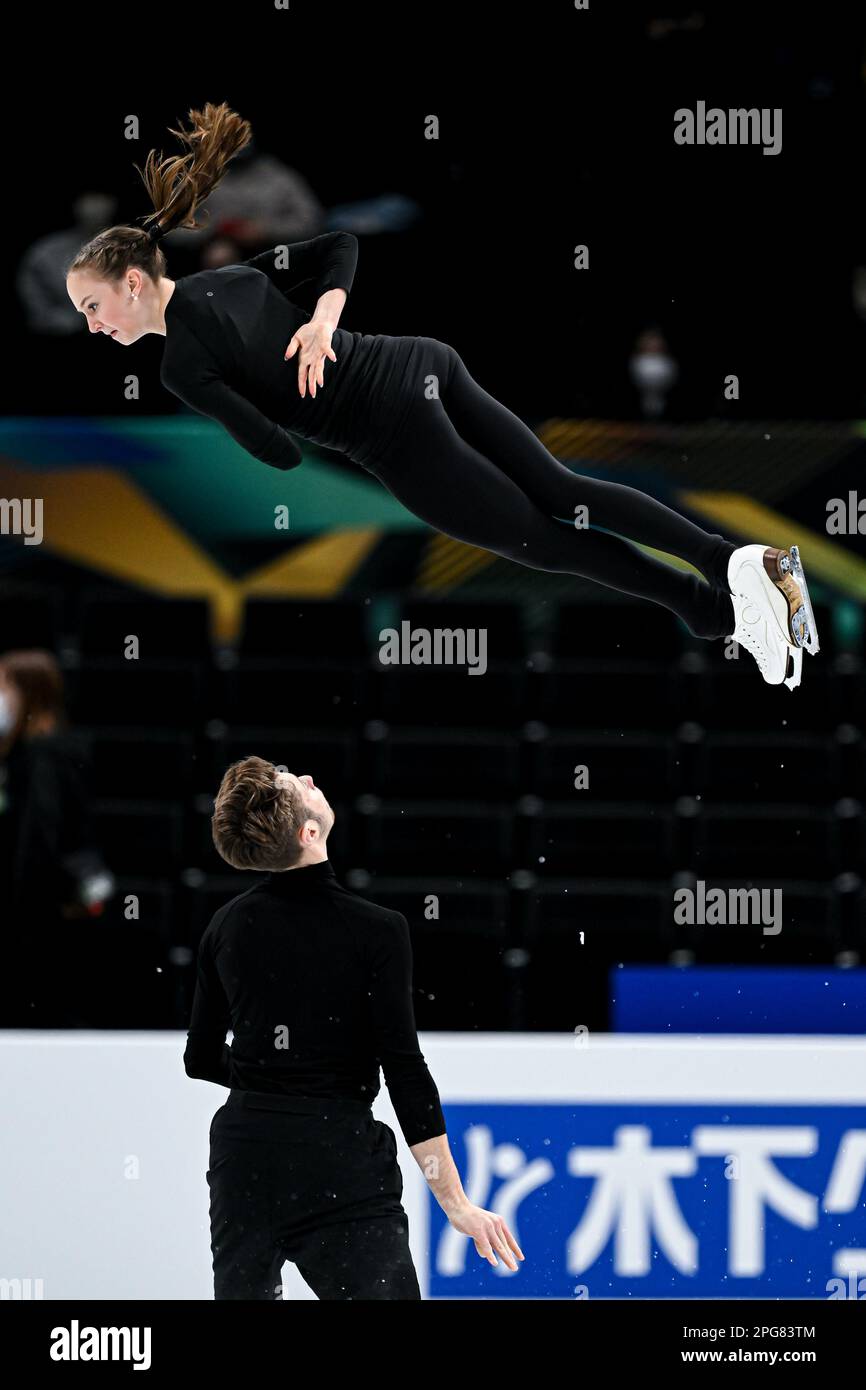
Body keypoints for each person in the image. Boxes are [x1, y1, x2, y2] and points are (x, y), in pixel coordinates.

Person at [65, 101, 819, 689]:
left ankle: (716, 611)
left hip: (393, 434)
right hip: (423, 362)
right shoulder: (226, 277)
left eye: (93, 308)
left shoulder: (181, 366)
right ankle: (736, 563)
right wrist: (326, 320)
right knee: (562, 486)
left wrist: (246, 414)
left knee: (548, 541)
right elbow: (338, 244)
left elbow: (280, 454)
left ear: (133, 283)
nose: (92, 328)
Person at [185, 756, 523, 1299]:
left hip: (244, 1157)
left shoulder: (226, 926)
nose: (310, 779)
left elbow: (199, 1060)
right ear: (309, 831)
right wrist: (455, 1203)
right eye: (298, 784)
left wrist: (268, 1082)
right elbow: (405, 1073)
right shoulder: (377, 930)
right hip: (336, 1160)